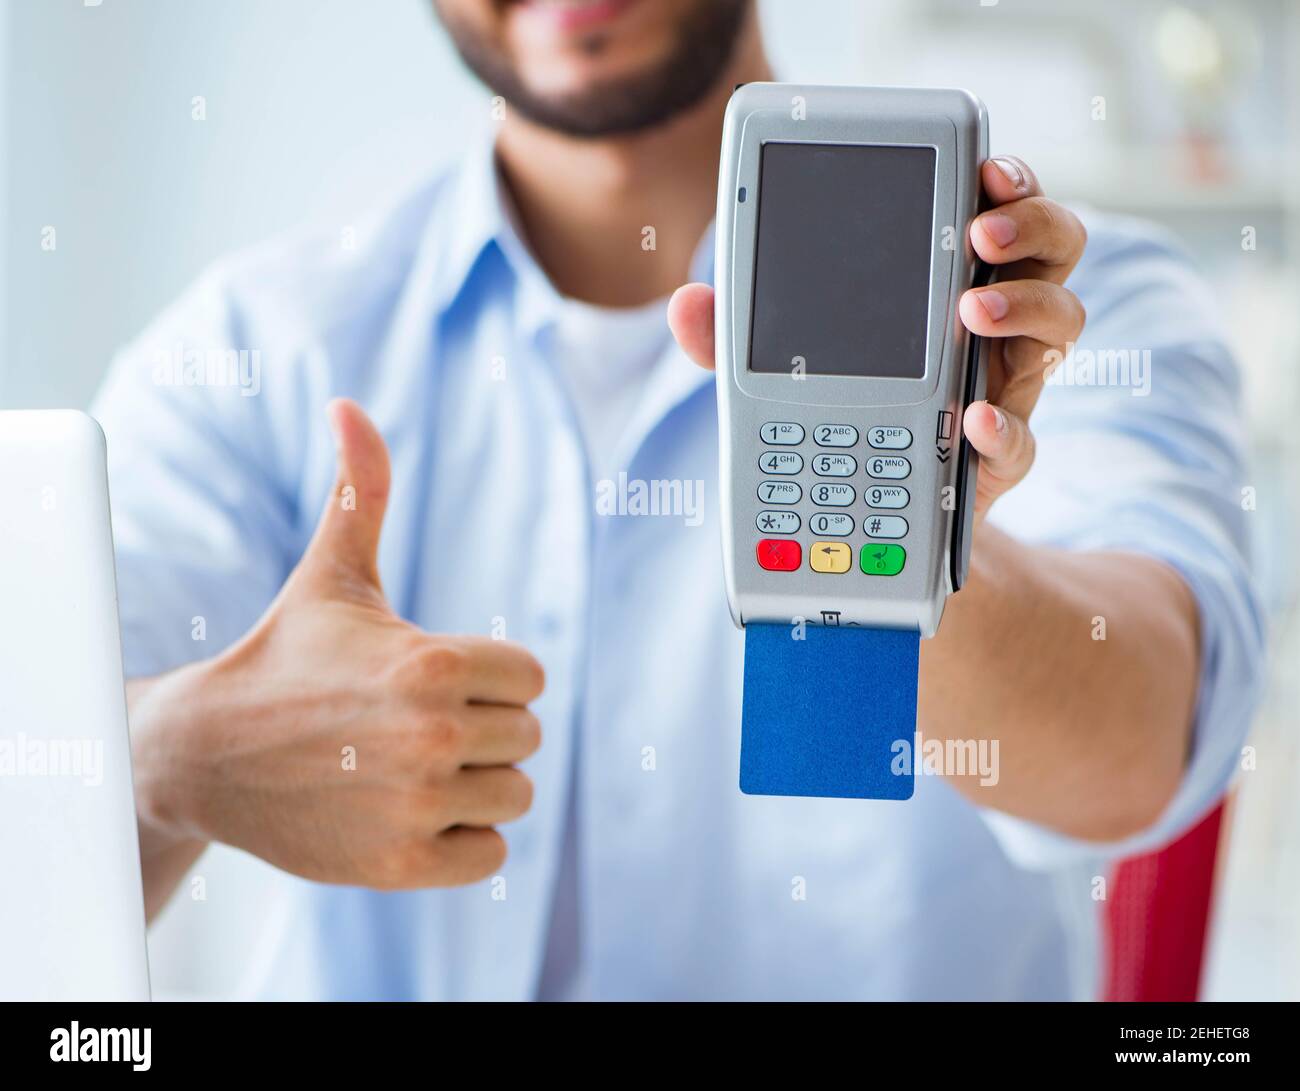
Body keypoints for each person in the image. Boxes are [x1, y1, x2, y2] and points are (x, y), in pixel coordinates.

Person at [95, 0, 1264, 1000]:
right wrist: (174, 755)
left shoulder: (1069, 303)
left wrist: (921, 529)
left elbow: (1140, 755)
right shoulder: (254, 346)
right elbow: (33, 819)